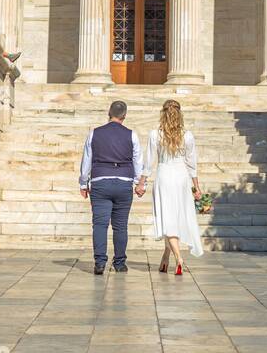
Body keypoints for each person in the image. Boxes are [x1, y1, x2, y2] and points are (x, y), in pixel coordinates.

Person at [79, 101, 145, 274]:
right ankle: (120, 263)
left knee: (100, 225)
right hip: (124, 181)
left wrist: (83, 182)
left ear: (109, 113)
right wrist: (139, 183)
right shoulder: (132, 135)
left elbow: (87, 159)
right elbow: (138, 160)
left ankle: (100, 262)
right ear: (125, 115)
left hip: (101, 181)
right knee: (120, 226)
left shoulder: (94, 133)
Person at [146, 99, 203, 275]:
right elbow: (192, 164)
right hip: (181, 178)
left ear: (163, 113)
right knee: (174, 218)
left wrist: (142, 181)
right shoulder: (188, 135)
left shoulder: (155, 134)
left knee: (167, 218)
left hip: (164, 176)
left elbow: (148, 161)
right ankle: (165, 256)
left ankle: (178, 258)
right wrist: (196, 187)